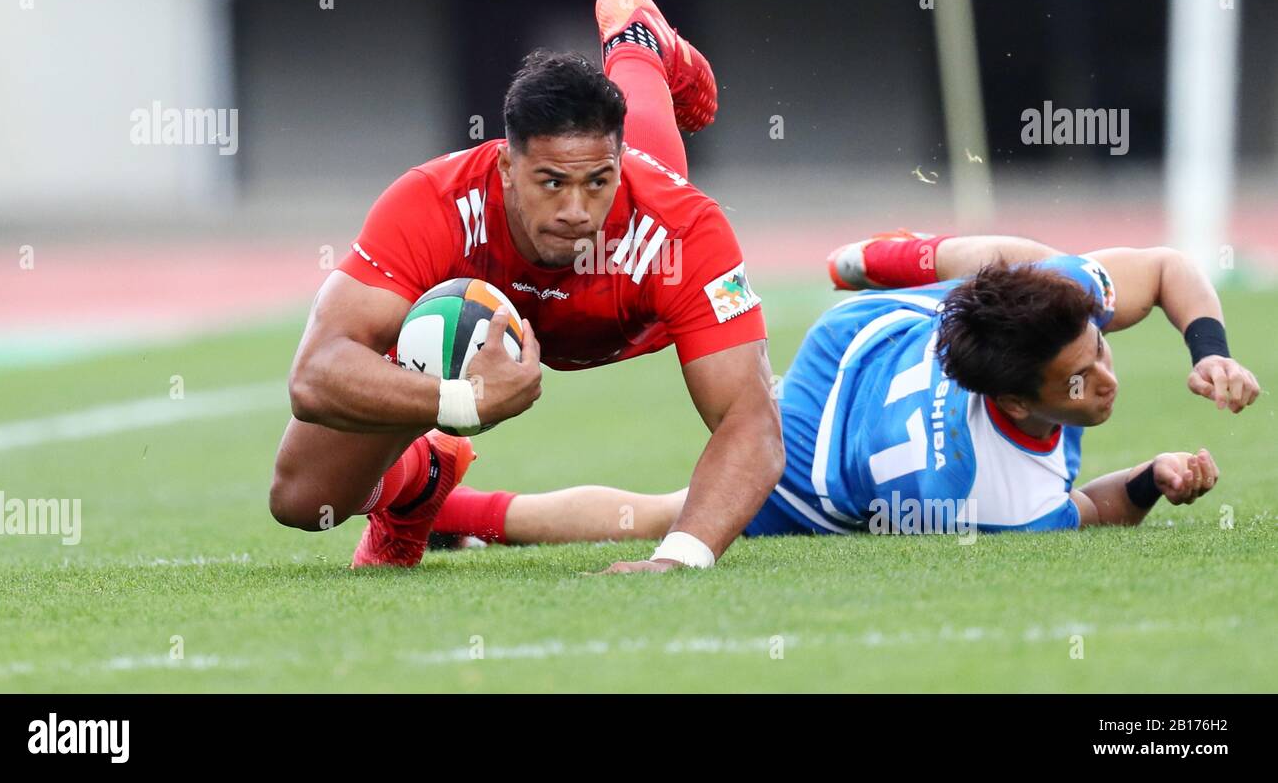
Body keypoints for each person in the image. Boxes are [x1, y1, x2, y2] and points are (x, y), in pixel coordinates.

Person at [269, 0, 783, 573]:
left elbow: (753, 424)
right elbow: (313, 374)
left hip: (631, 246)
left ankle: (637, 40)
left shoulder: (681, 226)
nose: (576, 210)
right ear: (507, 167)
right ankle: (421, 482)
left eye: (598, 182)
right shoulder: (434, 202)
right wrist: (462, 400)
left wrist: (679, 559)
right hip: (479, 339)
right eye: (551, 183)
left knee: (652, 147)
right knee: (305, 501)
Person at [427, 234, 1259, 551]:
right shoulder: (988, 497)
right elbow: (1092, 509)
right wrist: (1152, 481)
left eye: (1102, 349)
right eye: (1080, 380)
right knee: (669, 514)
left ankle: (897, 256)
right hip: (822, 458)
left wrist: (1209, 351)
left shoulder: (1053, 306)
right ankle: (438, 507)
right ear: (1011, 404)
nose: (1109, 378)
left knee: (1025, 265)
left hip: (864, 327)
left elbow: (1165, 267)